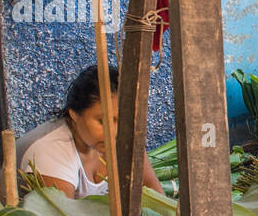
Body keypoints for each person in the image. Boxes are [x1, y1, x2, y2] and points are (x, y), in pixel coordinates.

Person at [16, 65, 164, 199]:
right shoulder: (51, 150)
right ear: (74, 114)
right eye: (103, 121)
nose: (115, 132)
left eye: (124, 121)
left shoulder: (122, 137)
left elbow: (156, 197)